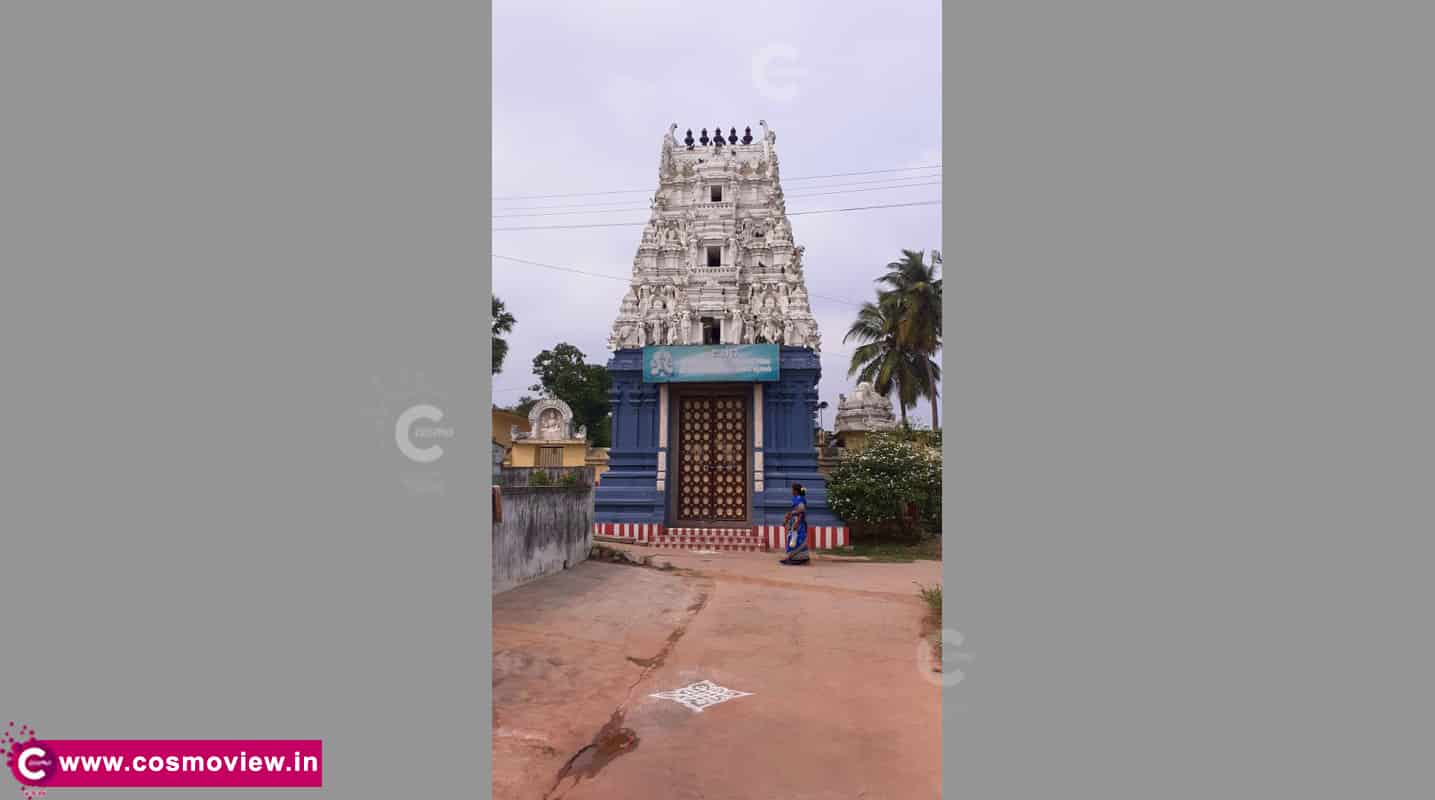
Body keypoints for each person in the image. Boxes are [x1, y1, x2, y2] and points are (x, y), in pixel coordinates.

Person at [780, 483, 810, 565]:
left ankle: (798, 558)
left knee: (796, 540)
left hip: (798, 523)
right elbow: (795, 511)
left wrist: (797, 523)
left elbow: (801, 512)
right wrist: (787, 519)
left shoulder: (799, 499)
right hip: (796, 521)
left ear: (796, 491)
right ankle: (793, 557)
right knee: (794, 539)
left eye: (792, 490)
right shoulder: (796, 498)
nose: (791, 491)